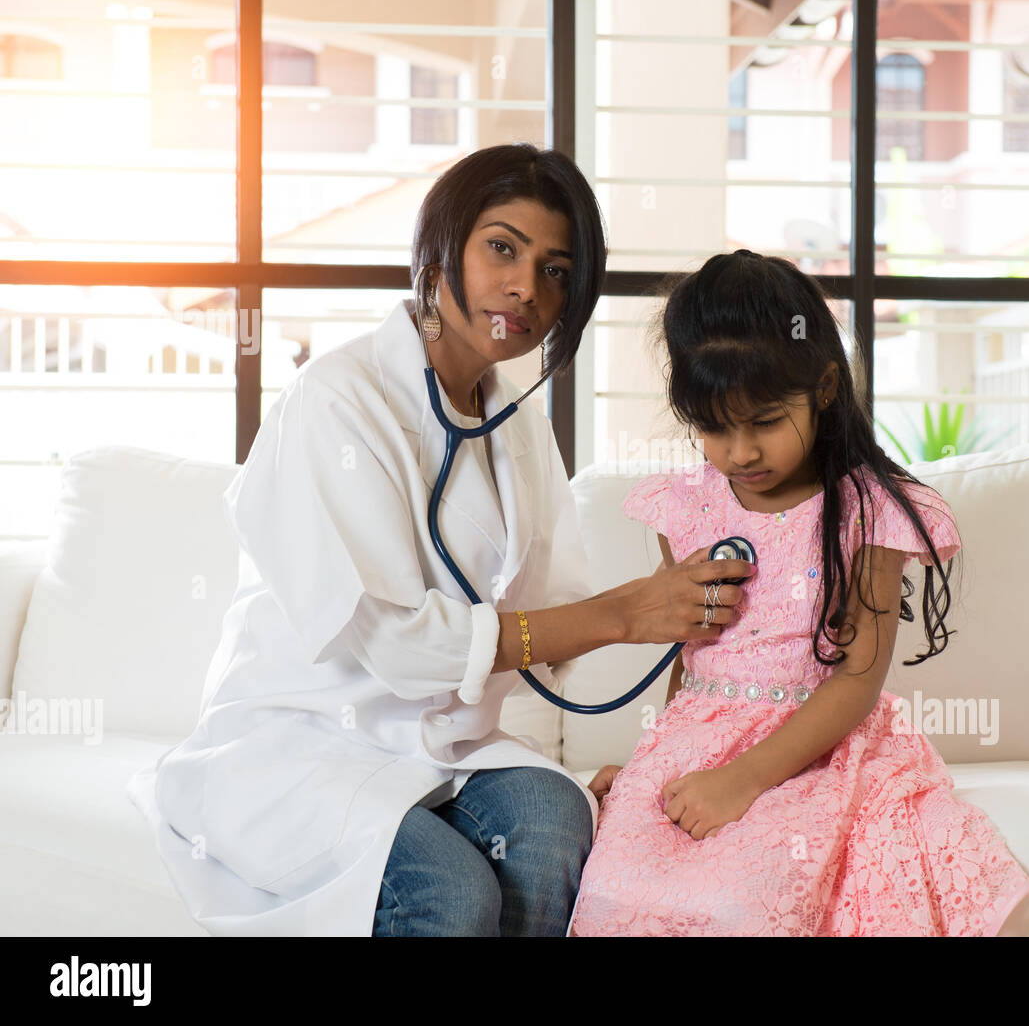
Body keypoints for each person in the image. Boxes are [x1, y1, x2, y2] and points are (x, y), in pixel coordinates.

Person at [124, 144, 754, 937]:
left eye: (557, 270)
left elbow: (552, 626)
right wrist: (629, 612)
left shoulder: (518, 425)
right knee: (452, 891)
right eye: (502, 247)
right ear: (440, 247)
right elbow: (398, 648)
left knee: (557, 820)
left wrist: (681, 609)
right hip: (301, 738)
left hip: (444, 749)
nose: (527, 286)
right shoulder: (336, 400)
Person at [569, 250, 1029, 936]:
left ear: (821, 388)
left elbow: (857, 681)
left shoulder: (868, 511)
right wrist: (649, 762)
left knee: (749, 899)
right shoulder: (687, 507)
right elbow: (690, 650)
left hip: (809, 739)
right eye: (713, 428)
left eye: (762, 421)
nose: (740, 452)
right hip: (696, 737)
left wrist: (744, 778)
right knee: (610, 890)